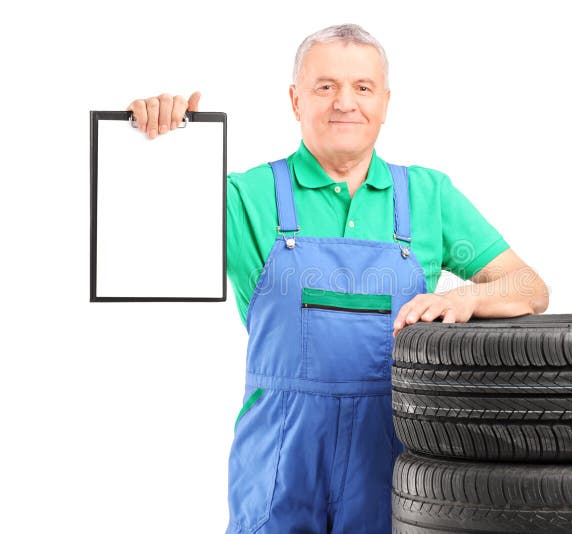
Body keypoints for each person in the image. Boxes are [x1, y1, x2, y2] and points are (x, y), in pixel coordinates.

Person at [127, 23, 548, 534]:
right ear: (295, 99)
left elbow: (528, 287)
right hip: (279, 462)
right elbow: (136, 227)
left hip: (394, 455)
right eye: (325, 87)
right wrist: (161, 142)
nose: (344, 103)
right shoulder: (244, 197)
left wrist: (466, 297)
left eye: (362, 88)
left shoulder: (429, 197)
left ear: (385, 101)